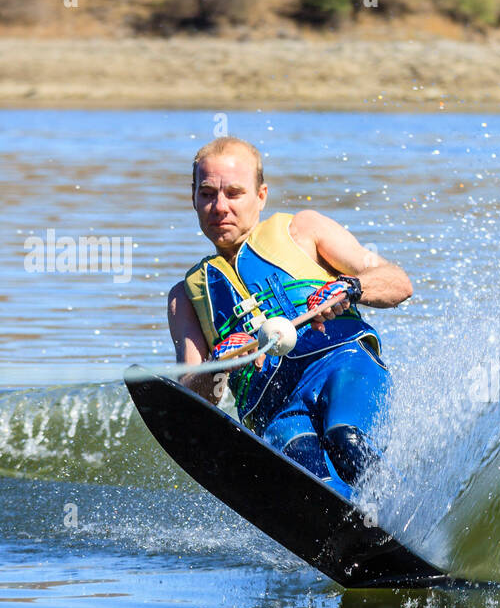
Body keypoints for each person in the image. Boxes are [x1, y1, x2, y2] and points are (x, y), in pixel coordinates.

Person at [167, 136, 412, 498]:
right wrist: (219, 364)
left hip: (342, 365)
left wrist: (349, 288)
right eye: (207, 194)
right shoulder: (186, 296)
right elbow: (195, 400)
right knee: (317, 487)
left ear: (261, 195)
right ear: (193, 198)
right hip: (276, 409)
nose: (219, 207)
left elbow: (398, 283)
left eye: (234, 193)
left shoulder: (304, 229)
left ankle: (410, 513)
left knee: (345, 440)